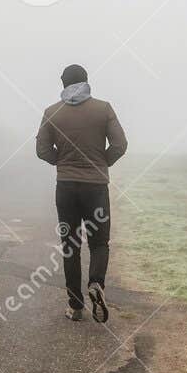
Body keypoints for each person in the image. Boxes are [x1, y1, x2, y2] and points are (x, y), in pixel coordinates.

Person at [35, 64, 127, 322]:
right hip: (96, 188)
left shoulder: (52, 112)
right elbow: (120, 144)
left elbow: (42, 150)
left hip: (65, 188)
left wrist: (62, 162)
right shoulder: (103, 108)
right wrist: (102, 162)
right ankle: (96, 283)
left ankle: (75, 307)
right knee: (99, 243)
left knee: (70, 246)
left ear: (63, 84)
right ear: (86, 82)